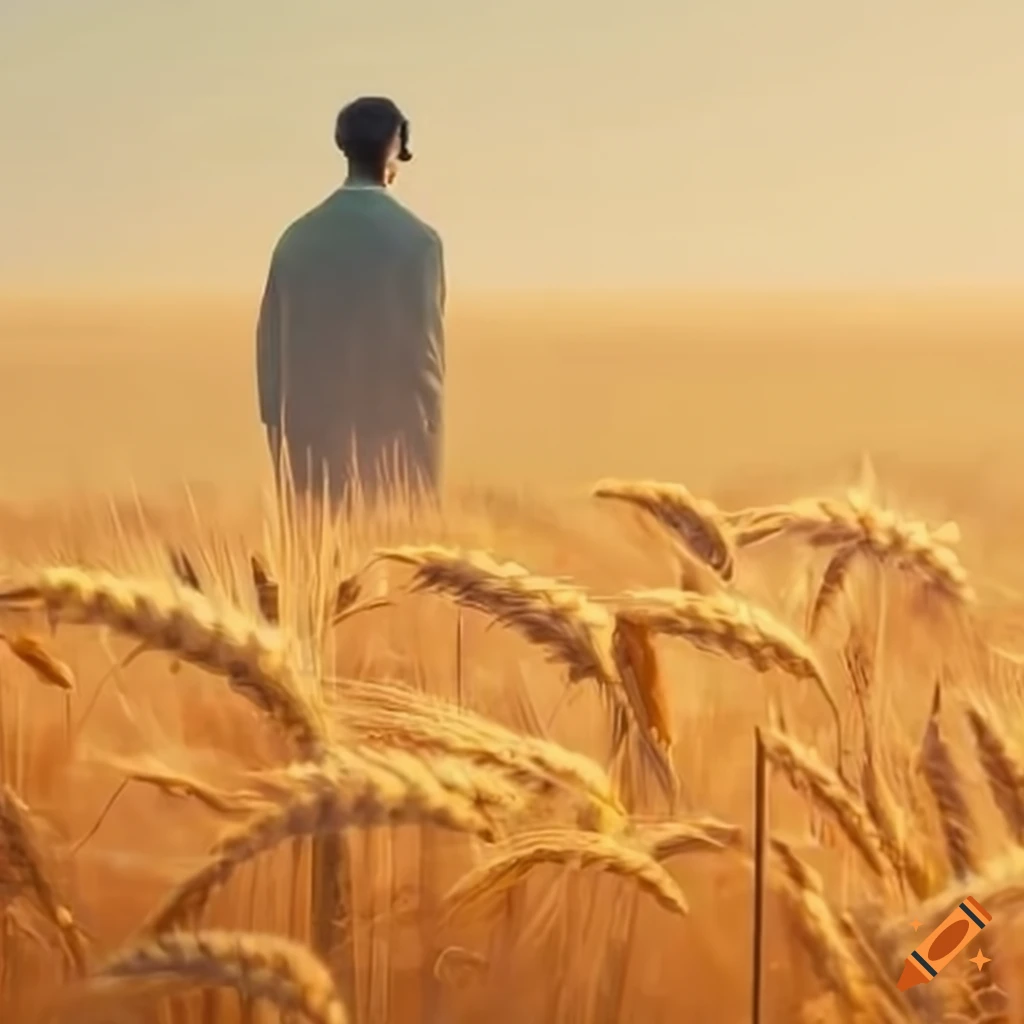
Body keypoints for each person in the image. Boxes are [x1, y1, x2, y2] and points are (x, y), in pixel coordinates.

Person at [256, 96, 446, 510]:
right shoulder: (418, 242)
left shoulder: (296, 239)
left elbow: (269, 354)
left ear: (342, 145)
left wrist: (279, 432)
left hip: (310, 441)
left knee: (318, 555)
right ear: (398, 143)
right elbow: (425, 358)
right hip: (396, 443)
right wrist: (429, 441)